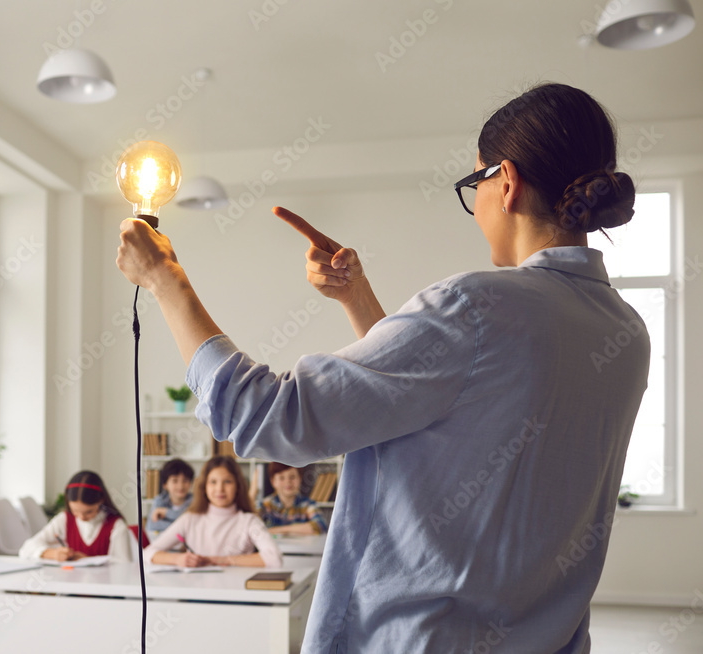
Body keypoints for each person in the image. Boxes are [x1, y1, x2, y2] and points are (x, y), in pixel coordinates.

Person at [116, 83, 649, 652]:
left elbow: (266, 417)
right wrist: (357, 298)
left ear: (507, 182)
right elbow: (439, 410)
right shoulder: (626, 332)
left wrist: (165, 281)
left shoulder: (476, 307)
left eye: (475, 183)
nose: (476, 206)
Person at [143, 456, 282, 568]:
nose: (220, 489)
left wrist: (221, 560)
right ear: (204, 487)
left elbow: (274, 558)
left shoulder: (249, 521)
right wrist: (178, 559)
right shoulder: (190, 519)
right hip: (197, 591)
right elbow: (148, 553)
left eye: (227, 482)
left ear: (238, 486)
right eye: (213, 482)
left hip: (237, 592)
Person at [18, 470, 132, 563]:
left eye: (89, 512)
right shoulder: (64, 519)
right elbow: (26, 549)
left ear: (101, 501)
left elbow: (124, 565)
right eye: (75, 511)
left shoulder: (116, 525)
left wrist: (87, 560)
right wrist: (53, 554)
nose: (82, 517)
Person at [256, 463, 328, 536]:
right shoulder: (265, 505)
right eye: (282, 478)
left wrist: (278, 530)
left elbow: (321, 526)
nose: (288, 482)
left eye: (292, 477)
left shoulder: (308, 504)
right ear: (273, 481)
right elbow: (252, 526)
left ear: (300, 478)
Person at [146, 458, 194, 534]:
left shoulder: (195, 501)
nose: (181, 486)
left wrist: (166, 512)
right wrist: (181, 527)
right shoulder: (159, 500)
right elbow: (151, 526)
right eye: (175, 481)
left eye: (185, 481)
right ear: (165, 484)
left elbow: (193, 525)